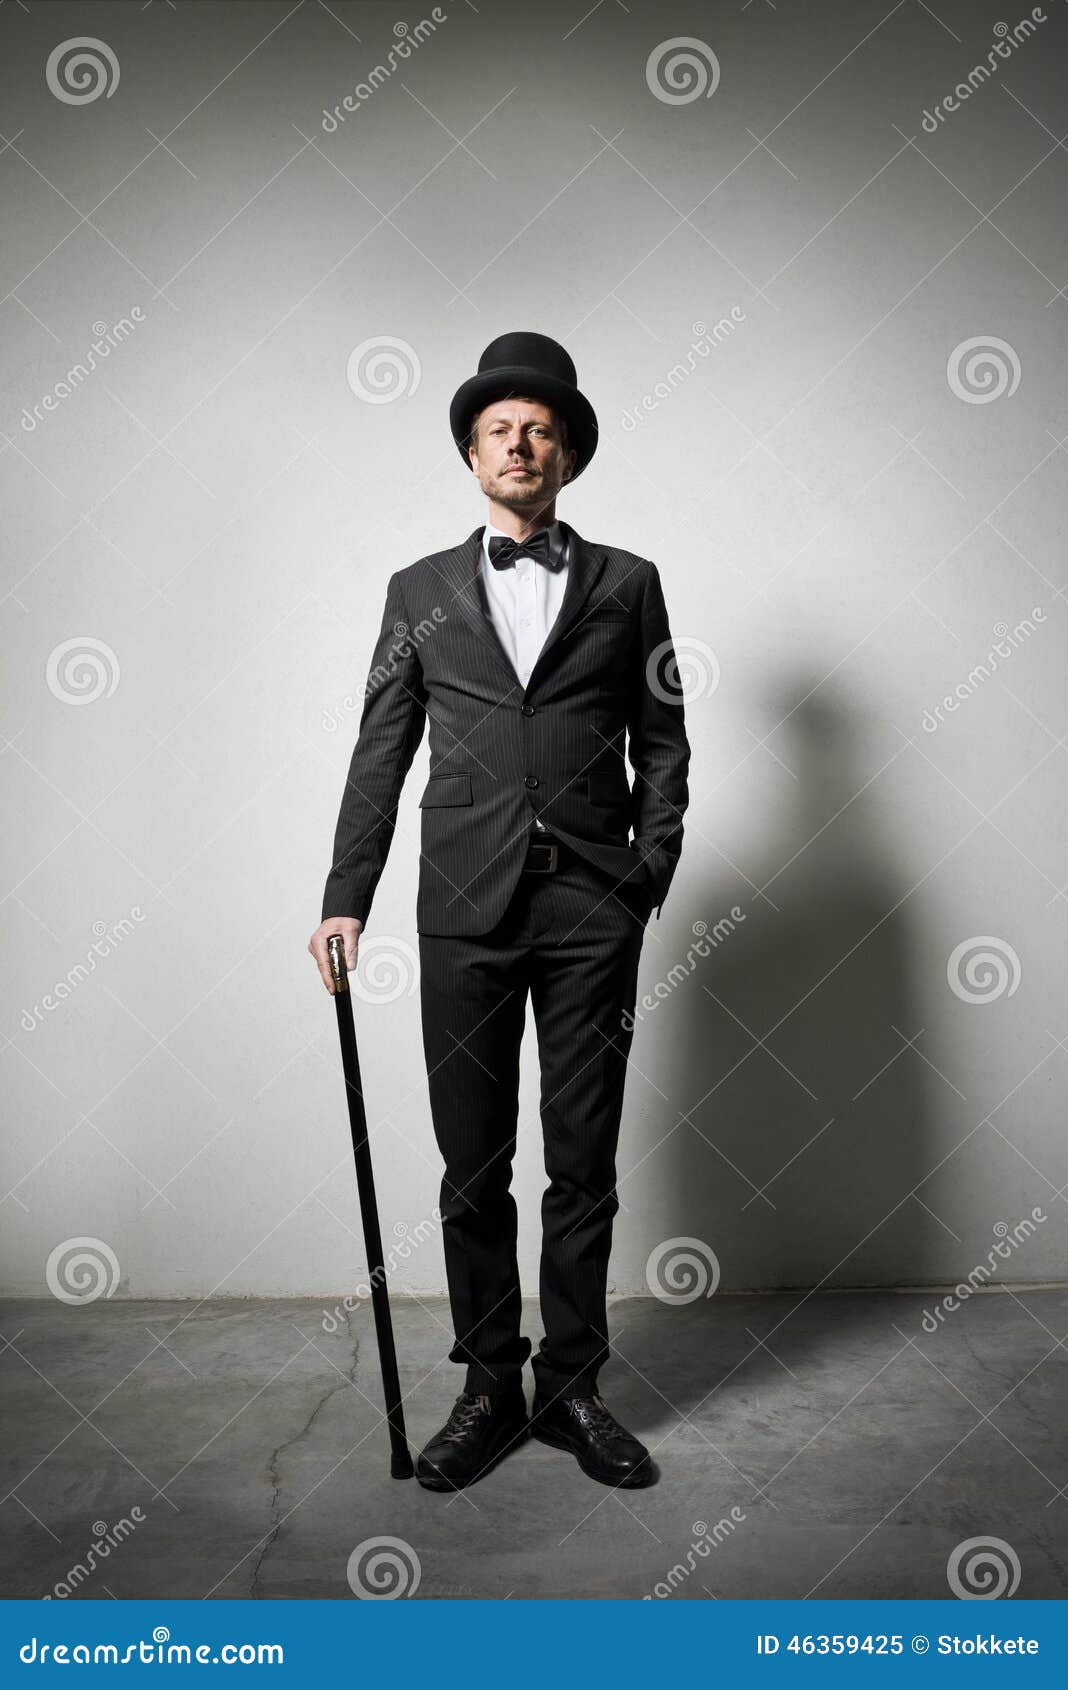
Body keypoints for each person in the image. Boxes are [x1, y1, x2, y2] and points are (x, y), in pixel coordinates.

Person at [308, 331, 690, 1492]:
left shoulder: (630, 582)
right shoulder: (416, 592)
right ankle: (490, 1383)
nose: (520, 446)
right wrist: (344, 897)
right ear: (474, 454)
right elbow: (382, 753)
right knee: (472, 1165)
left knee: (584, 1162)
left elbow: (665, 737)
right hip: (461, 907)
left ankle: (573, 1389)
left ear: (565, 450)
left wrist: (647, 870)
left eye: (539, 430)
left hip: (590, 907)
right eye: (499, 431)